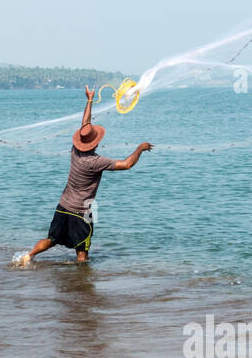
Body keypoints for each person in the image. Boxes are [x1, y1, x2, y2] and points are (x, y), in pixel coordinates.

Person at [16, 86, 152, 265]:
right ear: (96, 142)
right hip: (82, 212)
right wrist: (140, 148)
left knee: (51, 239)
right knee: (82, 252)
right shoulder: (96, 162)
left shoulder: (75, 152)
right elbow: (127, 165)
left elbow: (84, 126)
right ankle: (81, 286)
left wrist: (89, 100)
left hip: (63, 206)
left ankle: (29, 255)